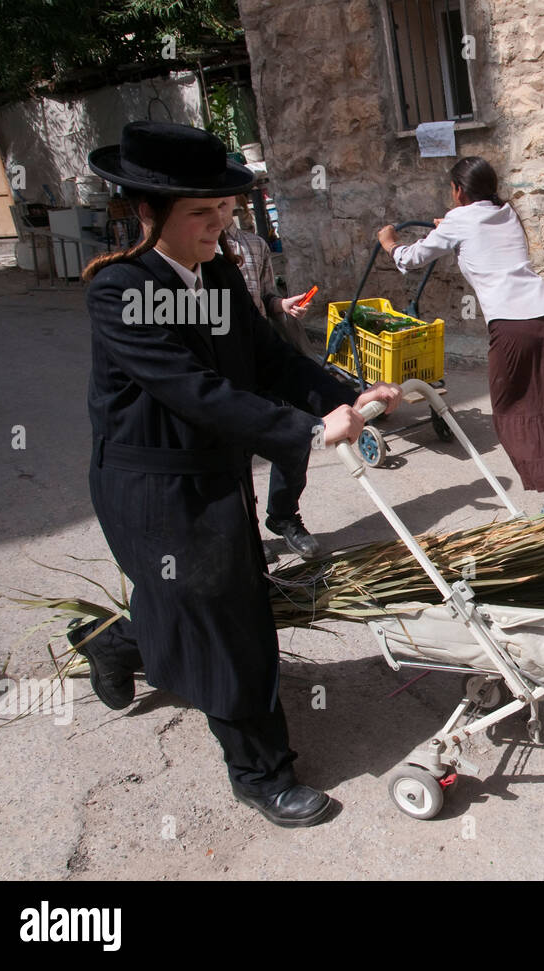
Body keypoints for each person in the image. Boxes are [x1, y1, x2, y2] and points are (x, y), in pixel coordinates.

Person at [70, 121, 404, 827]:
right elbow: (193, 389)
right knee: (227, 625)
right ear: (146, 212)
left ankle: (114, 641)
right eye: (200, 213)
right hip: (153, 487)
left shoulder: (218, 274)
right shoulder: (121, 291)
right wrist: (309, 431)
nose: (217, 227)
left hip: (214, 474)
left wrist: (345, 396)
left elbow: (273, 361)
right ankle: (260, 772)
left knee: (202, 605)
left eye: (224, 211)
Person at [376, 156, 544, 513]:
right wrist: (449, 226)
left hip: (513, 325)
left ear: (457, 190)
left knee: (513, 409)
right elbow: (479, 234)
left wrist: (390, 243)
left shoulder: (458, 219)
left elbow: (411, 259)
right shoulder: (507, 212)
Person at [224, 195, 323, 557]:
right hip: (223, 363)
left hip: (263, 353)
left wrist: (282, 305)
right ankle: (244, 530)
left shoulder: (254, 245)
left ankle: (283, 515)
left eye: (223, 197)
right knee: (235, 447)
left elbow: (265, 296)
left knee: (294, 434)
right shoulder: (197, 253)